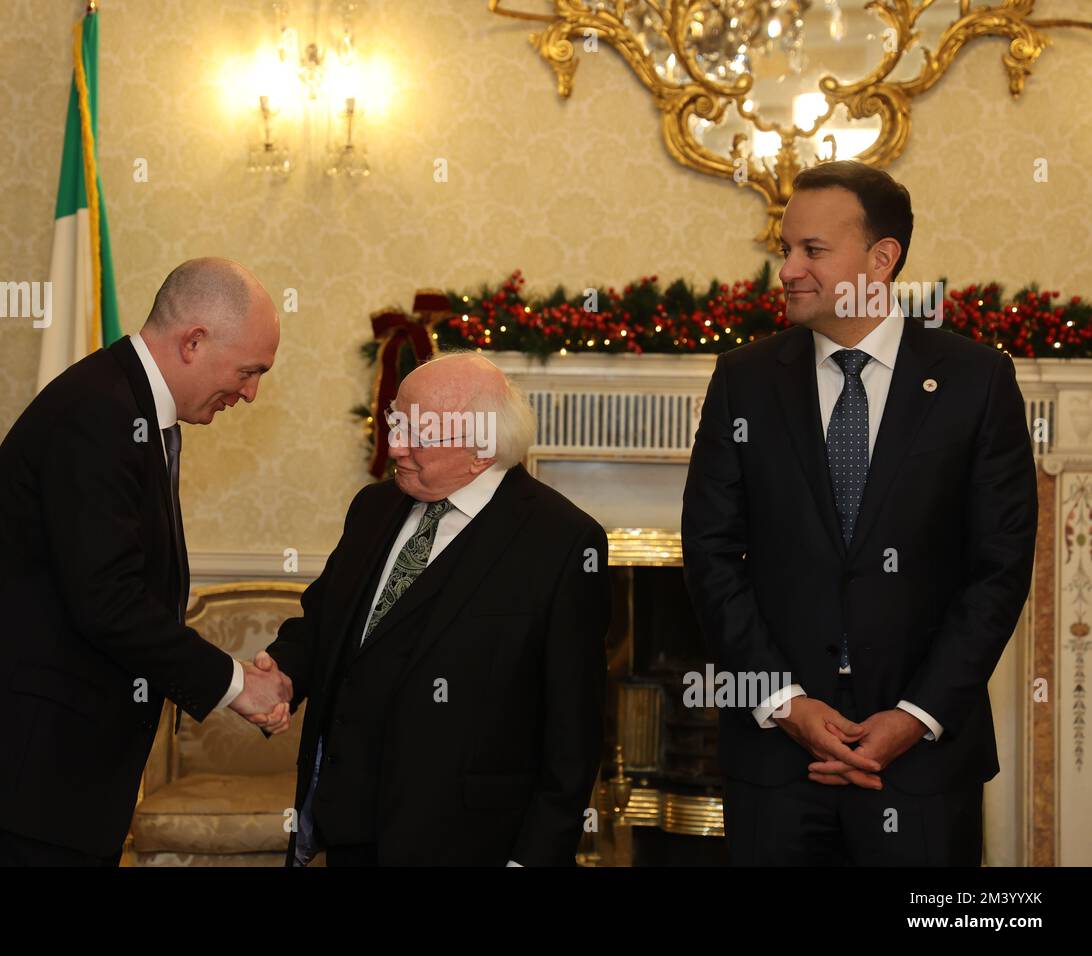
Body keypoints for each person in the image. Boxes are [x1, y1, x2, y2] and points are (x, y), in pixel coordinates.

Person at [681, 161, 1038, 865]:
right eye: (784, 250)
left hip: (924, 769)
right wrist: (783, 703)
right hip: (775, 770)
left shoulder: (977, 381)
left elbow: (998, 571)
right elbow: (711, 556)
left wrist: (913, 717)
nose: (786, 269)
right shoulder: (744, 381)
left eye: (812, 250)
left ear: (881, 259)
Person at [0, 257, 291, 866]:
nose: (251, 393)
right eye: (249, 371)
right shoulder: (100, 412)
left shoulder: (127, 405)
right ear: (194, 341)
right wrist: (236, 686)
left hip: (46, 772)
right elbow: (108, 602)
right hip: (18, 769)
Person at [253, 351, 612, 866]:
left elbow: (573, 734)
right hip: (351, 827)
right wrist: (284, 676)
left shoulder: (563, 543)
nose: (394, 445)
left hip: (470, 843)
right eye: (395, 421)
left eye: (419, 434)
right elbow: (325, 623)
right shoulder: (373, 509)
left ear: (482, 448)